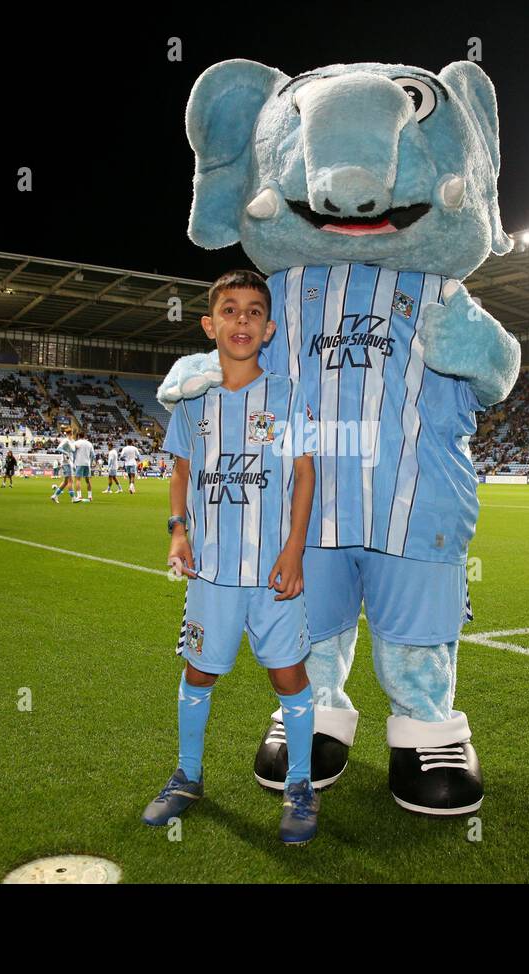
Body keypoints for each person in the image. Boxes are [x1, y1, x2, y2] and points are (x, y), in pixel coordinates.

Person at [142, 269, 319, 845]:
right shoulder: (193, 400)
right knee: (200, 670)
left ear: (268, 329)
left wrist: (294, 550)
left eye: (252, 312)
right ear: (209, 323)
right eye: (229, 310)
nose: (240, 321)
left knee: (288, 674)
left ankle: (300, 785)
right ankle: (188, 775)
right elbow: (181, 471)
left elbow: (304, 474)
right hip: (212, 572)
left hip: (273, 572)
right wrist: (177, 532)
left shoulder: (290, 395)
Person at [51, 429, 75, 503]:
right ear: (70, 433)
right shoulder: (66, 440)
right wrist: (66, 453)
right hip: (66, 462)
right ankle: (73, 498)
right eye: (71, 432)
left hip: (69, 462)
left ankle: (55, 496)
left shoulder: (72, 441)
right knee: (70, 481)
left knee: (65, 482)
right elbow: (58, 448)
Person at [73, 432, 94, 502]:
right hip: (87, 463)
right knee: (88, 480)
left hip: (79, 463)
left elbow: (73, 453)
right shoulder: (89, 443)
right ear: (84, 436)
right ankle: (90, 496)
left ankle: (79, 496)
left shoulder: (76, 443)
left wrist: (73, 462)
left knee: (78, 479)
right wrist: (90, 463)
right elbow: (93, 455)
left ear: (78, 436)